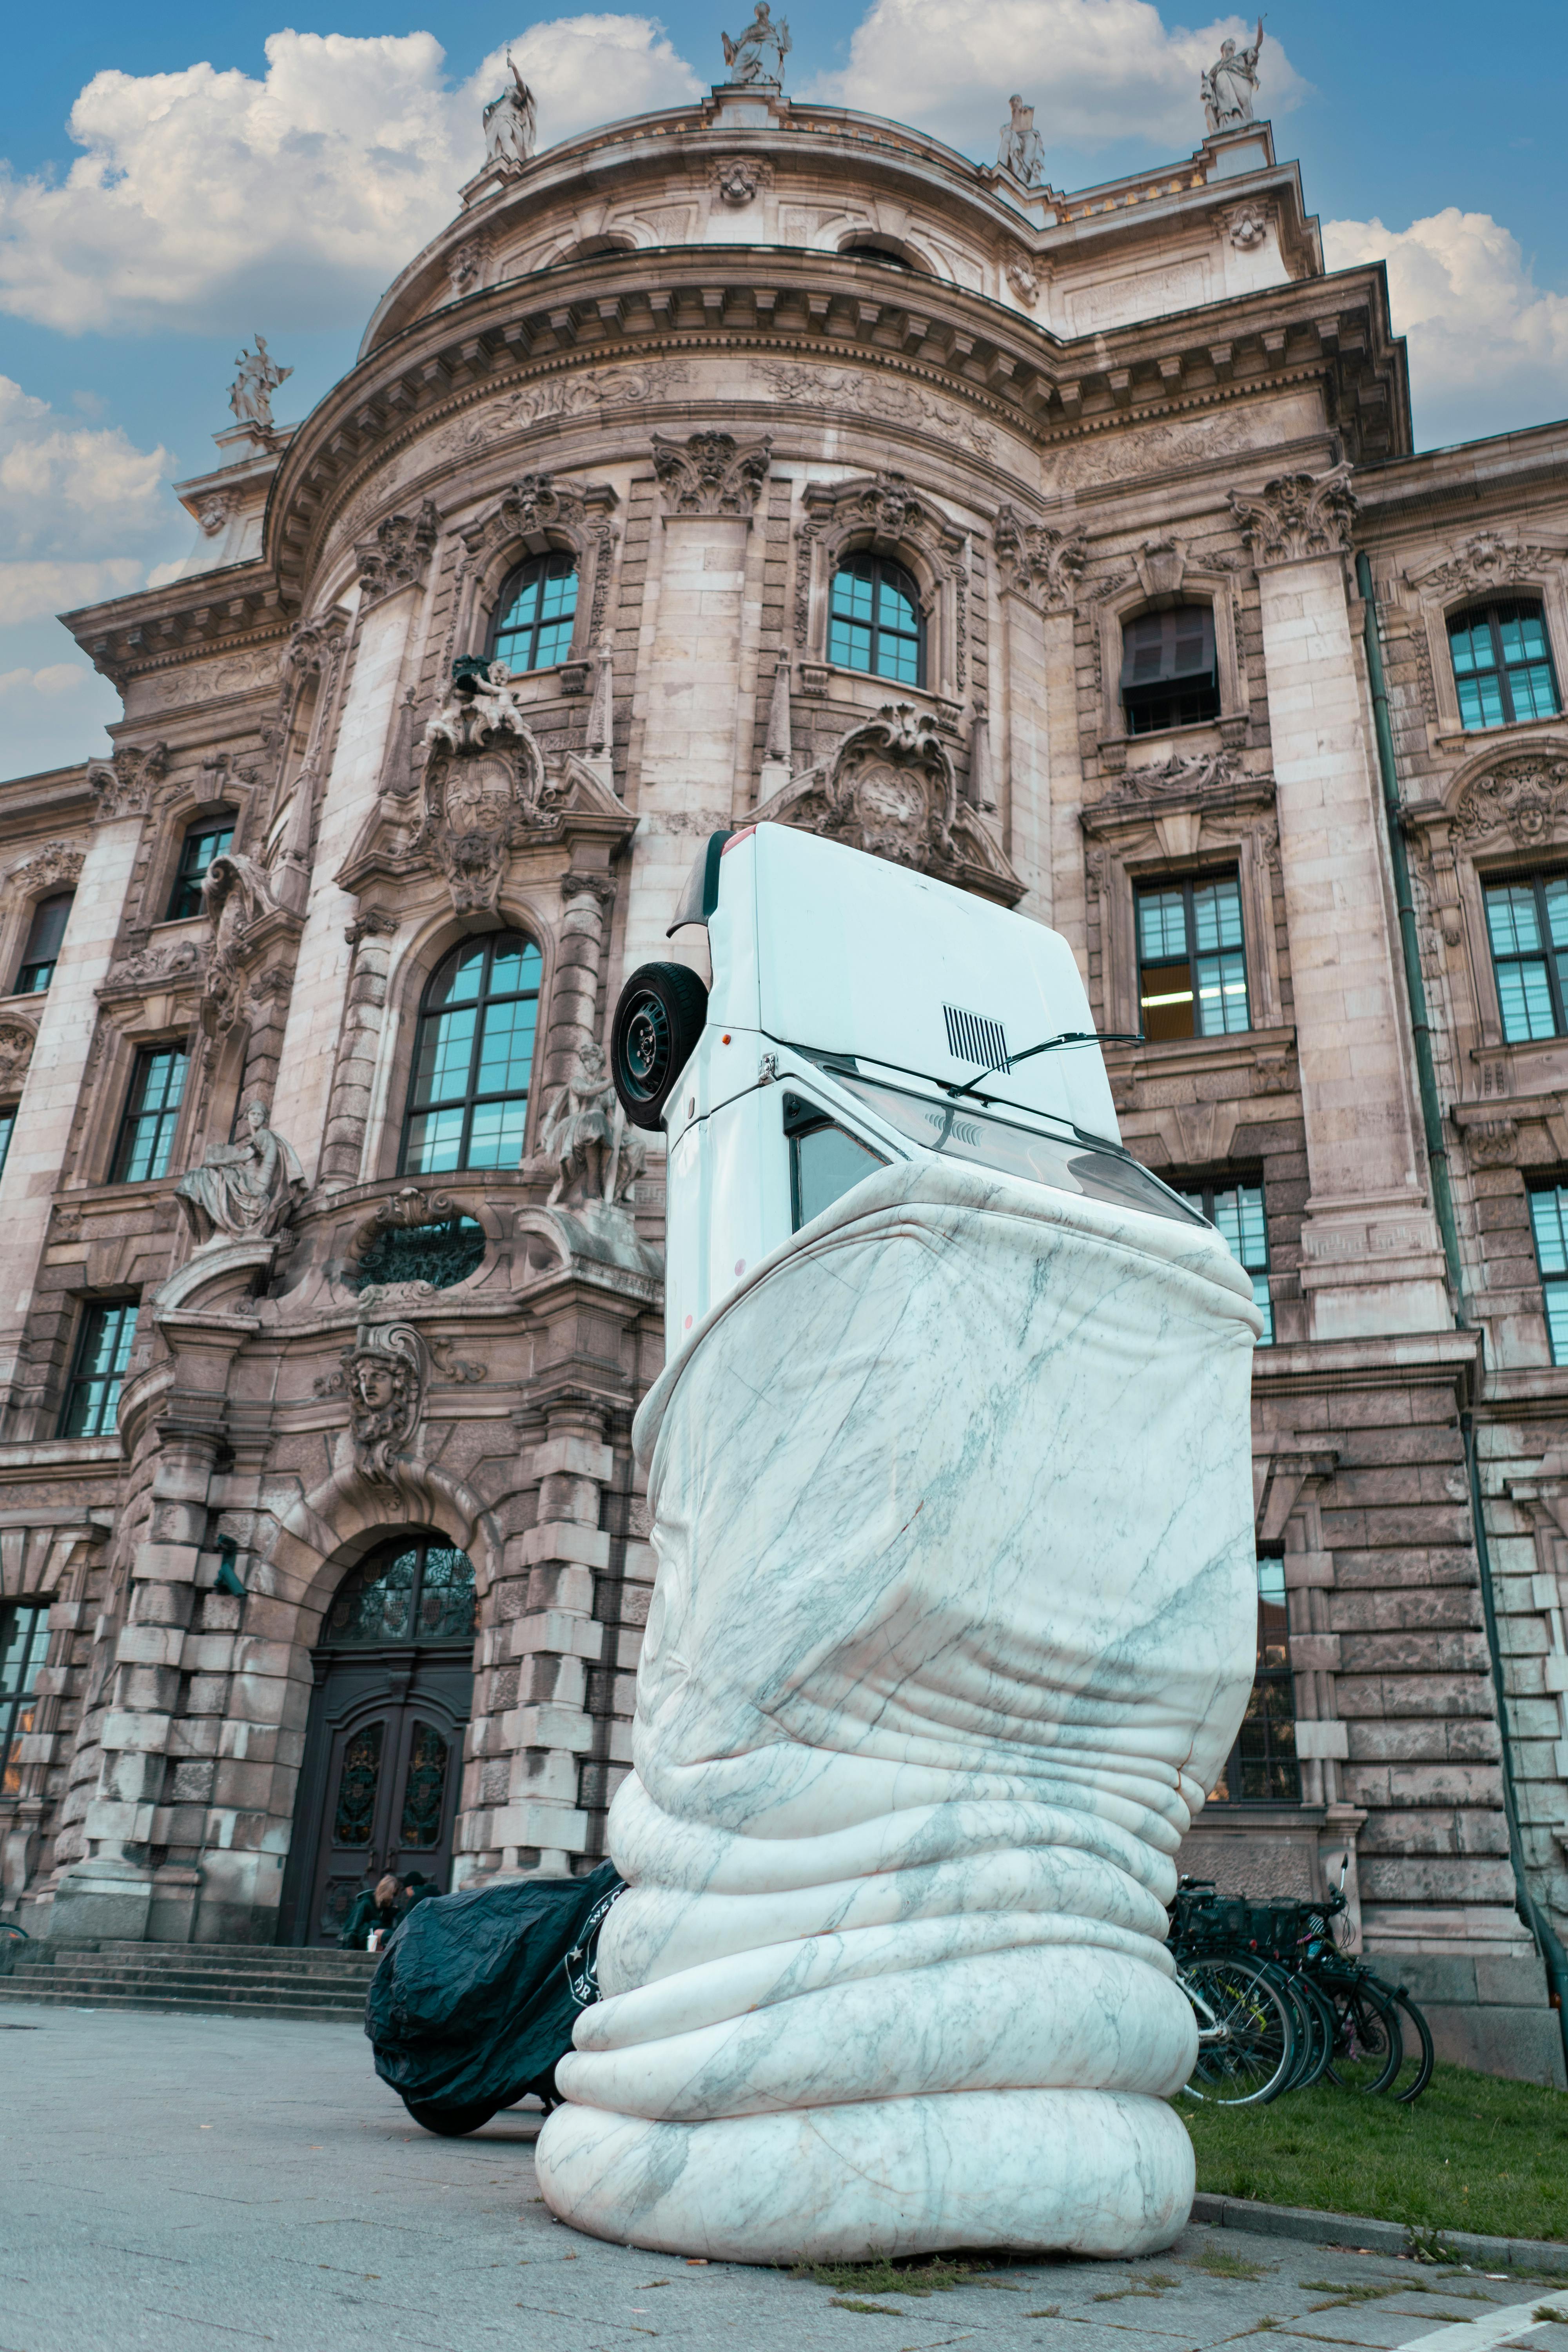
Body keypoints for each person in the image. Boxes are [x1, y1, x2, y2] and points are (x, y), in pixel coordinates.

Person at [339, 1873, 401, 1951]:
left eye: (394, 1895)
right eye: (391, 1894)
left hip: (376, 1946)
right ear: (385, 1891)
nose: (392, 1897)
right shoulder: (365, 1903)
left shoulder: (387, 1908)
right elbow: (352, 1929)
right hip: (360, 1945)